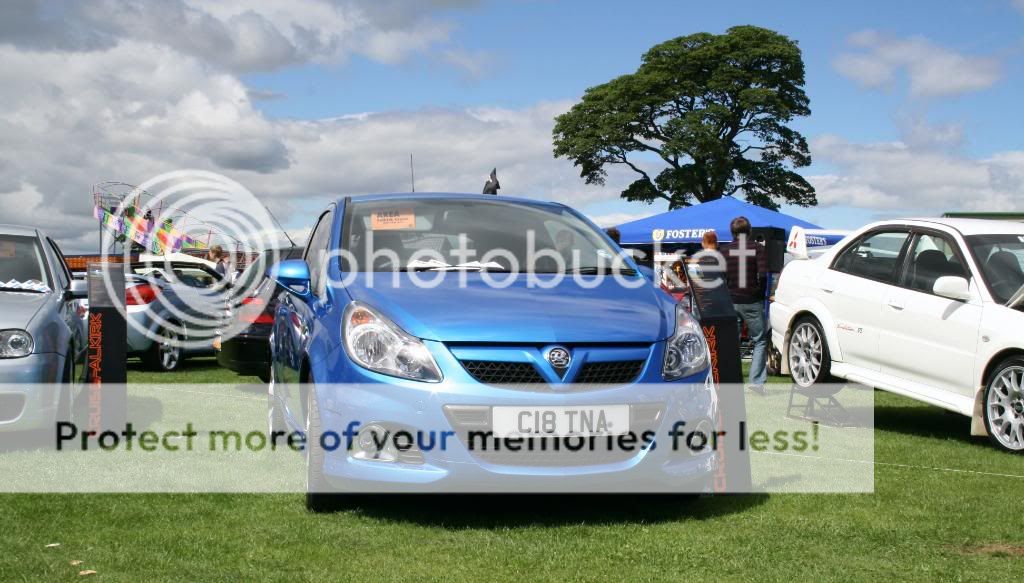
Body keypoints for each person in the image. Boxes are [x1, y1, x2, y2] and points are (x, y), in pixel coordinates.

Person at [721, 217, 768, 394]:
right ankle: (756, 382)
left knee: (732, 343)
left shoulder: (724, 250)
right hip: (752, 300)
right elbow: (763, 275)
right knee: (760, 340)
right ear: (749, 231)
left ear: (732, 232)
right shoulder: (758, 249)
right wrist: (759, 293)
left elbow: (720, 277)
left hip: (731, 300)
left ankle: (732, 382)